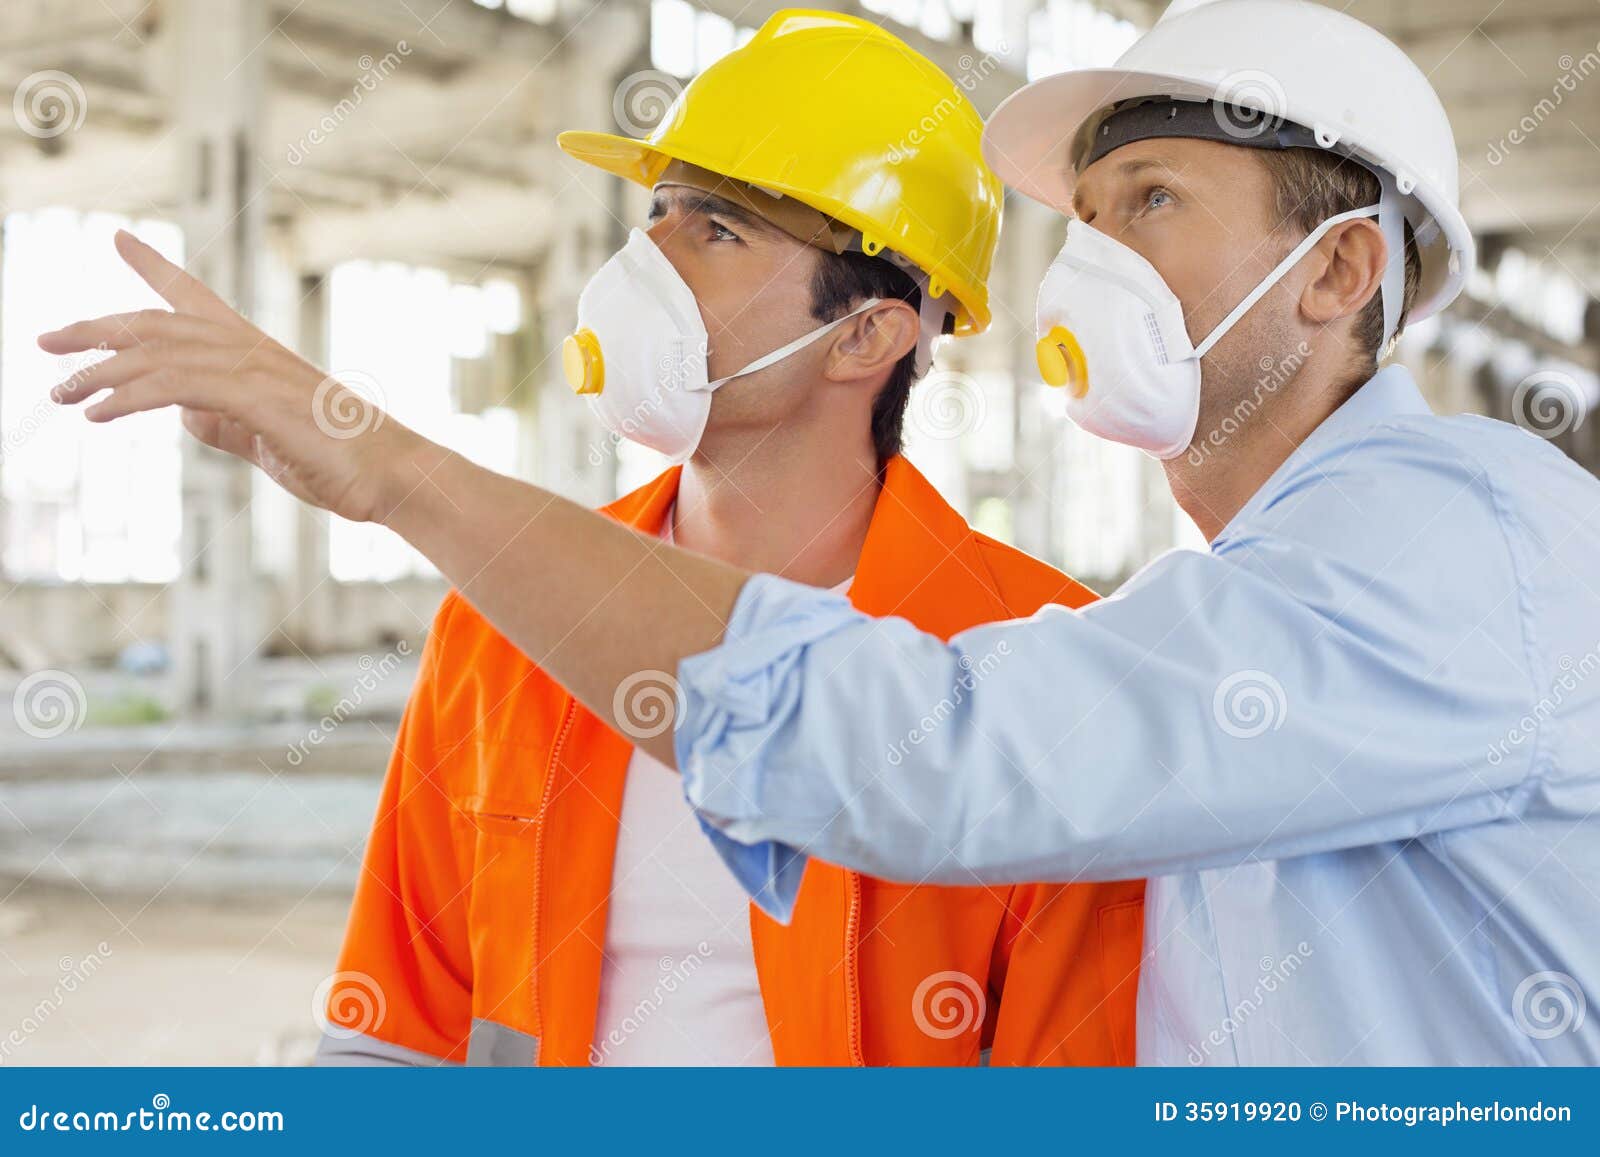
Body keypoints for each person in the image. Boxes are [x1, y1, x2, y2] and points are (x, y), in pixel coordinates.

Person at [44, 0, 1599, 1065]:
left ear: (1336, 275)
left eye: (1151, 202)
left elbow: (926, 757)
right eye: (1089, 219)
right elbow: (394, 1023)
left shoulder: (1448, 547)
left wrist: (388, 470)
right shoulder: (1203, 614)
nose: (1095, 265)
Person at [311, 11, 1138, 1067]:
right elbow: (391, 1036)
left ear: (867, 333)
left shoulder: (1036, 655)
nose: (640, 259)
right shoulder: (503, 607)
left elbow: (1067, 1077)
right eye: (655, 210)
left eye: (716, 228)